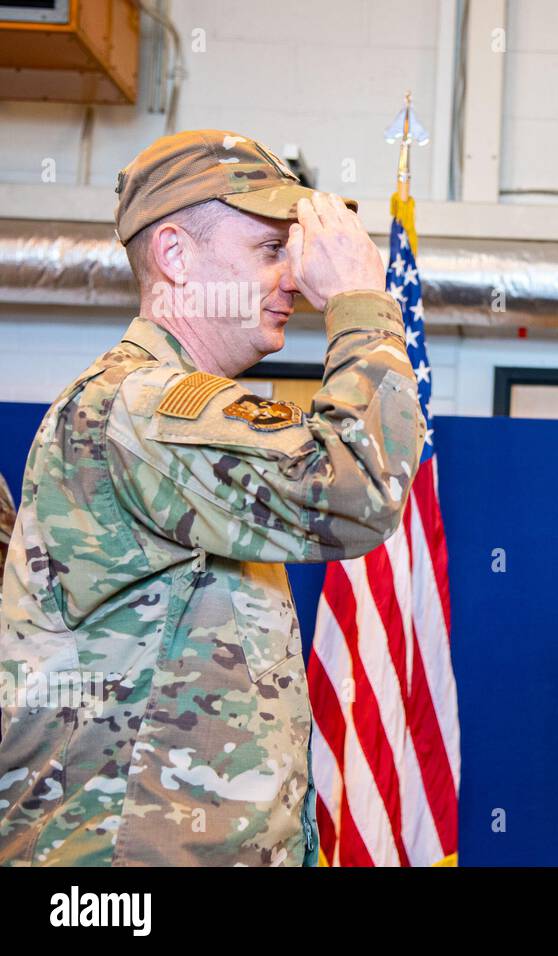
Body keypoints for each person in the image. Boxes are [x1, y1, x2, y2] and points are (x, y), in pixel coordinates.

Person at [0, 130, 423, 866]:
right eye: (270, 249)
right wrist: (361, 303)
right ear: (174, 255)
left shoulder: (183, 409)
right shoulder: (142, 408)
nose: (294, 276)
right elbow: (356, 488)